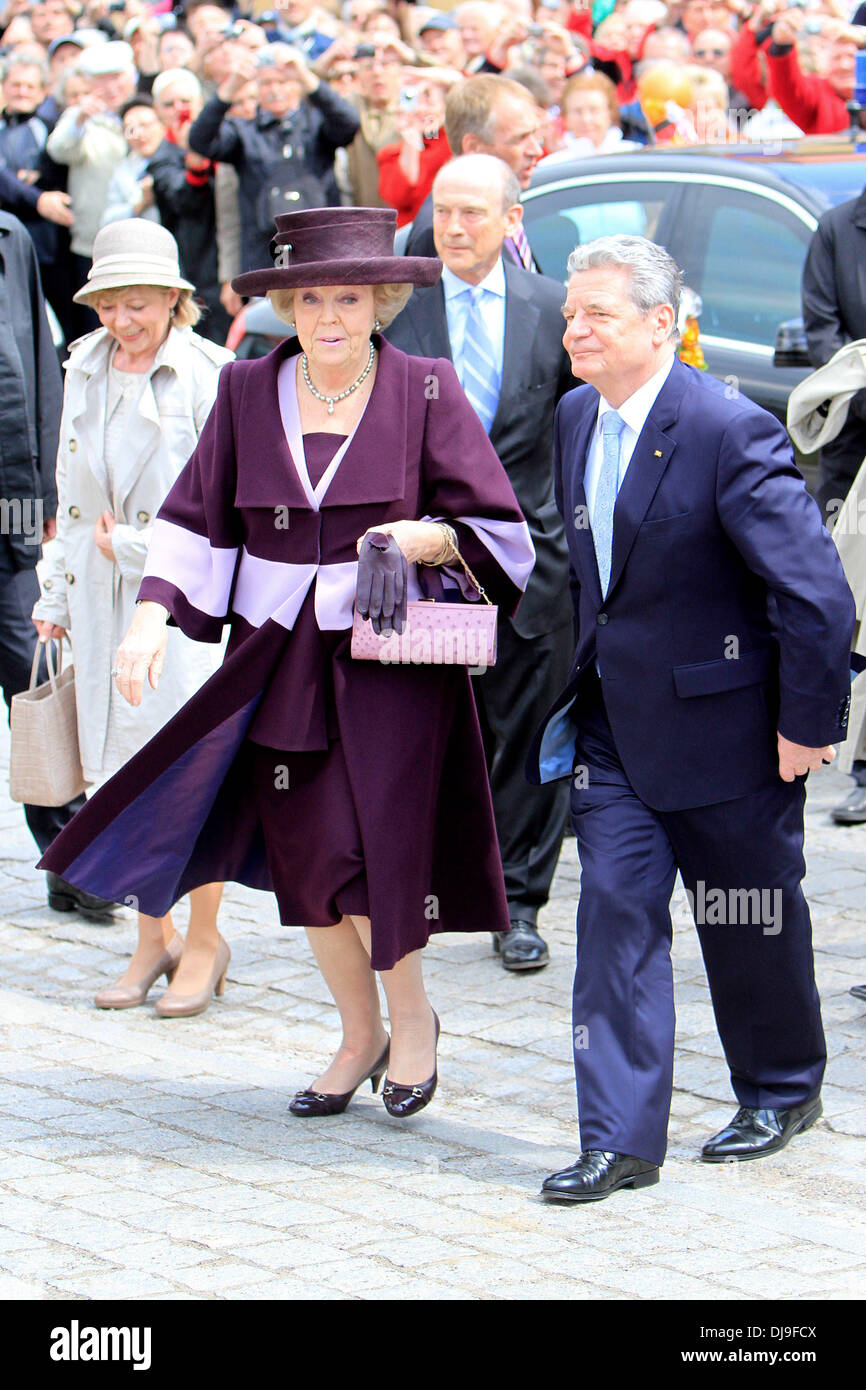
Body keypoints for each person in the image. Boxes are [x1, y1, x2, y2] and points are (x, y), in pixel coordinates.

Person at [38, 205, 535, 1119]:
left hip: (391, 669)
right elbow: (195, 521)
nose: (330, 317)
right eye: (310, 299)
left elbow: (501, 533)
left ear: (382, 301)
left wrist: (419, 537)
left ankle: (412, 1017)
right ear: (288, 307)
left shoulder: (425, 386)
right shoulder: (244, 391)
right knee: (310, 860)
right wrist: (149, 624)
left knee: (379, 851)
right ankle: (358, 1033)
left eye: (349, 297)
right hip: (277, 665)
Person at [528, 234, 855, 1203]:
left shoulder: (726, 428)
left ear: (659, 323)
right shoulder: (573, 417)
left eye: (595, 315)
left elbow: (815, 596)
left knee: (745, 923)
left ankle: (781, 1087)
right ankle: (620, 1138)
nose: (572, 329)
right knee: (613, 920)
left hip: (731, 739)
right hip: (613, 736)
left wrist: (805, 725)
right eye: (569, 314)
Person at [33, 220, 232, 1017]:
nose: (124, 321)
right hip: (97, 598)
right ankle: (153, 938)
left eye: (140, 304)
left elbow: (227, 505)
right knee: (122, 779)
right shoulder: (82, 367)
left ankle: (207, 941)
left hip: (180, 604)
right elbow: (66, 497)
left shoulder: (212, 374)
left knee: (190, 775)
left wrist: (141, 544)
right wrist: (55, 594)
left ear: (176, 301)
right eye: (110, 304)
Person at [386, 154, 572, 972]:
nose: (453, 228)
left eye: (472, 214)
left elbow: (584, 422)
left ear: (510, 219)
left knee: (529, 737)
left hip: (534, 563)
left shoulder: (552, 307)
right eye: (442, 212)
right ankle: (422, 887)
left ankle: (519, 902)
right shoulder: (397, 305)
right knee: (426, 730)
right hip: (429, 561)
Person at [0, 209, 111, 920]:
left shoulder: (11, 238)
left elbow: (37, 370)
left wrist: (40, 494)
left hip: (8, 509)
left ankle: (71, 859)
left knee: (33, 677)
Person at [801, 185, 866, 826]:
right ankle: (840, 747)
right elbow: (822, 332)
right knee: (843, 597)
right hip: (853, 443)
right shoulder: (837, 228)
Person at [187, 41, 359, 274]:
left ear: (296, 86)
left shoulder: (316, 123)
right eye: (266, 83)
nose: (275, 89)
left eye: (283, 81)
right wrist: (230, 88)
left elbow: (349, 123)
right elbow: (200, 140)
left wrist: (306, 77)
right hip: (267, 251)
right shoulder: (244, 131)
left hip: (322, 244)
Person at [404, 74, 544, 270]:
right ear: (473, 147)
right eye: (519, 139)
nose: (535, 150)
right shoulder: (437, 232)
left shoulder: (500, 203)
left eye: (534, 135)